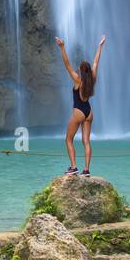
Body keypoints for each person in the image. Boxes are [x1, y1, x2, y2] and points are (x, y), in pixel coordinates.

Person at [55, 34, 105, 175]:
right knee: (86, 141)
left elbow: (67, 64)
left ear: (81, 71)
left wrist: (62, 47)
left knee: (68, 139)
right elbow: (96, 62)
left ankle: (73, 167)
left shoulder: (78, 80)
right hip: (89, 112)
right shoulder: (92, 78)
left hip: (78, 112)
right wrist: (100, 46)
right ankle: (86, 169)